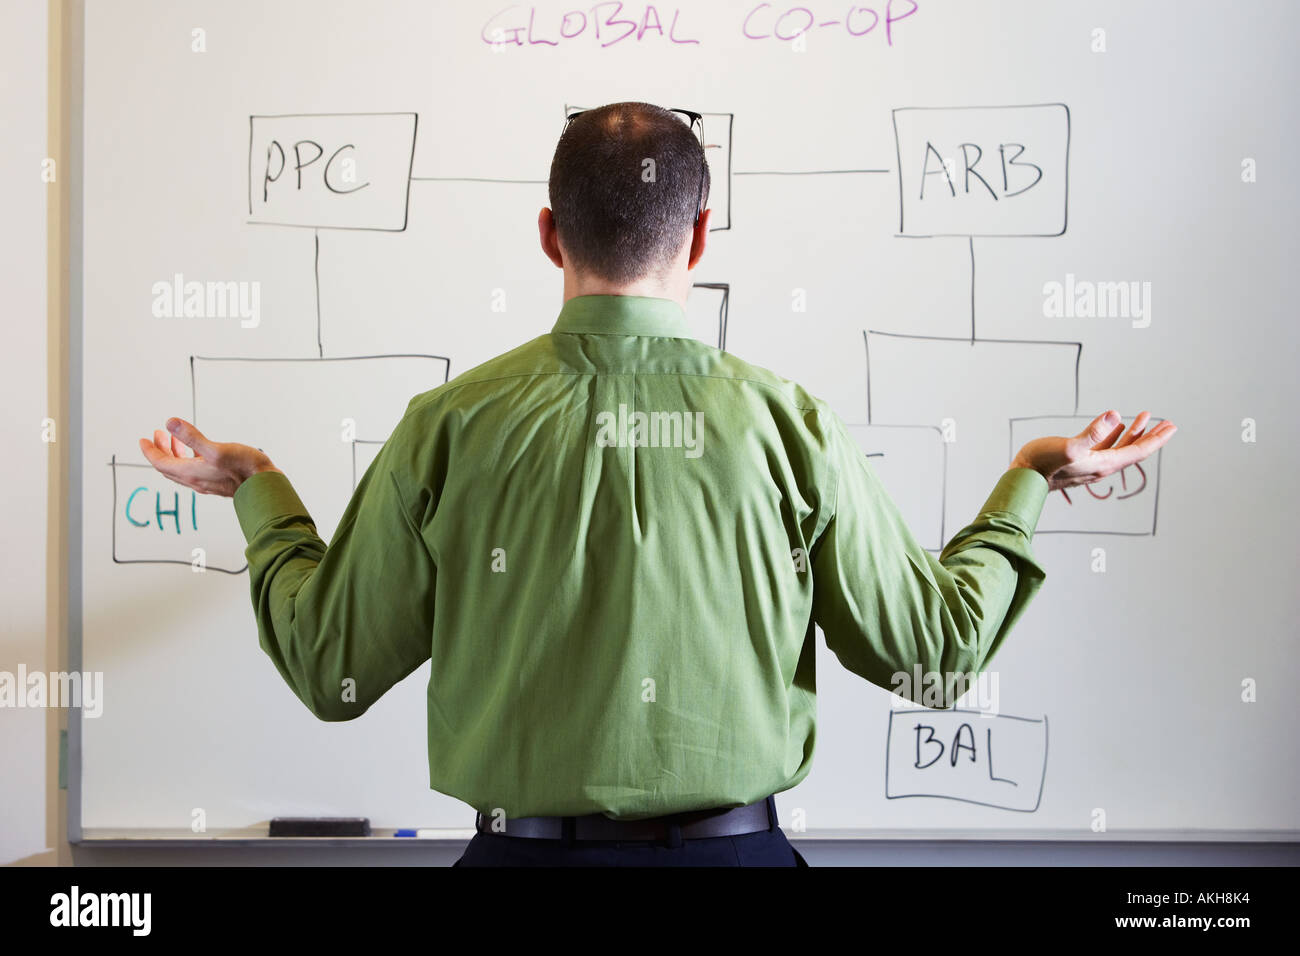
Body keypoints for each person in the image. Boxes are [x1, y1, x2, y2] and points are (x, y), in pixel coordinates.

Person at [140, 101, 1177, 866]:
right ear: (698, 236)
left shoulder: (446, 428)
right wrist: (1029, 478)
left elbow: (334, 667)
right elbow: (932, 653)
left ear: (550, 234)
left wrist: (260, 488)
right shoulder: (788, 425)